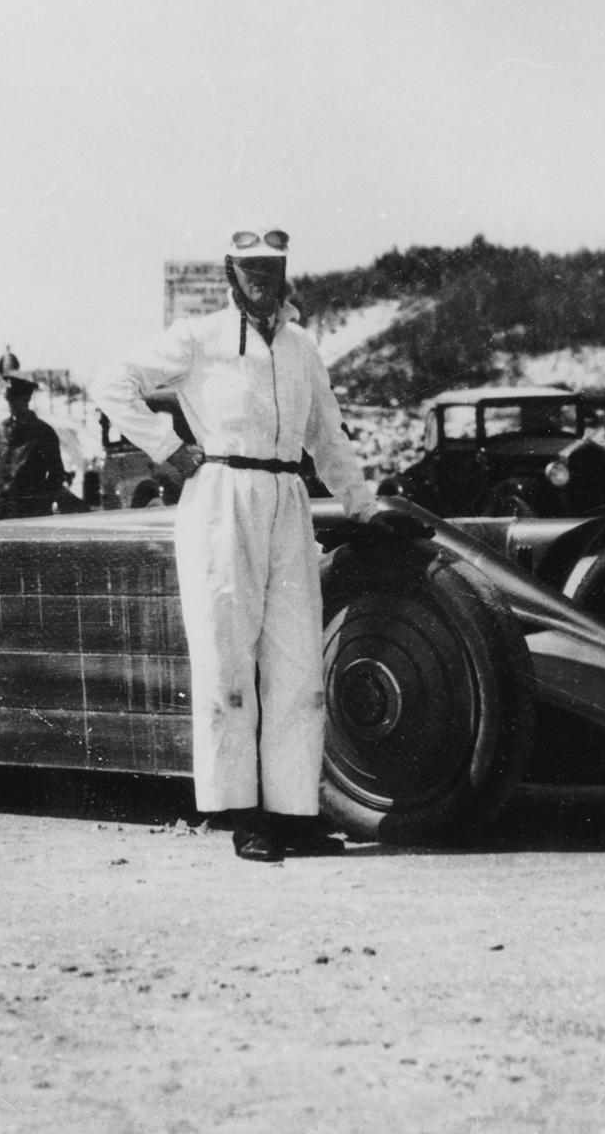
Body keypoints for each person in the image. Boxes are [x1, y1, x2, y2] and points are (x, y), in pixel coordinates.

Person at [90, 226, 378, 863]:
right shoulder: (201, 337)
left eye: (272, 265)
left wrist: (362, 505)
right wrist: (170, 451)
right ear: (230, 270)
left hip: (287, 499)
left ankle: (294, 813)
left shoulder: (302, 347)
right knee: (228, 657)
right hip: (221, 497)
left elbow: (327, 436)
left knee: (298, 662)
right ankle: (242, 815)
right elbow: (111, 382)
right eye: (250, 266)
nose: (262, 276)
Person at [0, 371, 66, 519]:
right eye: (10, 399)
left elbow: (56, 475)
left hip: (31, 511)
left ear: (27, 399)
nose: (12, 405)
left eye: (17, 400)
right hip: (1, 509)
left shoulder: (43, 431)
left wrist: (41, 503)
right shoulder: (1, 431)